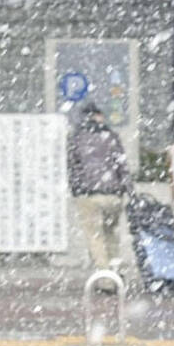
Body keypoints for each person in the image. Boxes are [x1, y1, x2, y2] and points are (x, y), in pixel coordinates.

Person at [68, 103, 132, 274]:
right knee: (111, 235)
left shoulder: (77, 138)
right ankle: (116, 273)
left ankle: (105, 279)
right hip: (113, 195)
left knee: (95, 238)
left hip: (89, 195)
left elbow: (73, 167)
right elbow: (122, 166)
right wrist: (128, 190)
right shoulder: (111, 136)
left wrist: (76, 190)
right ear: (98, 116)